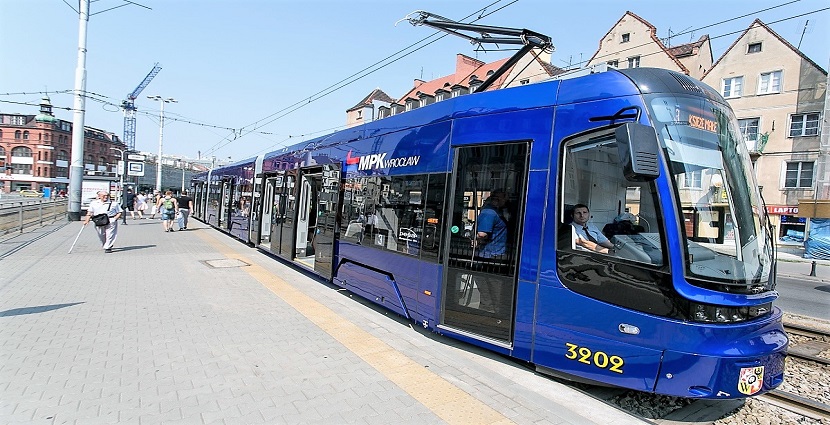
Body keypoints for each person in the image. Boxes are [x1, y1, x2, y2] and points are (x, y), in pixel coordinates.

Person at [473, 189, 511, 313]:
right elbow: (482, 234)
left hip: (494, 255)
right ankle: (490, 311)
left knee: (494, 289)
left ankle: (491, 311)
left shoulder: (499, 211)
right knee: (491, 289)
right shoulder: (489, 212)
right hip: (489, 256)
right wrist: (474, 239)